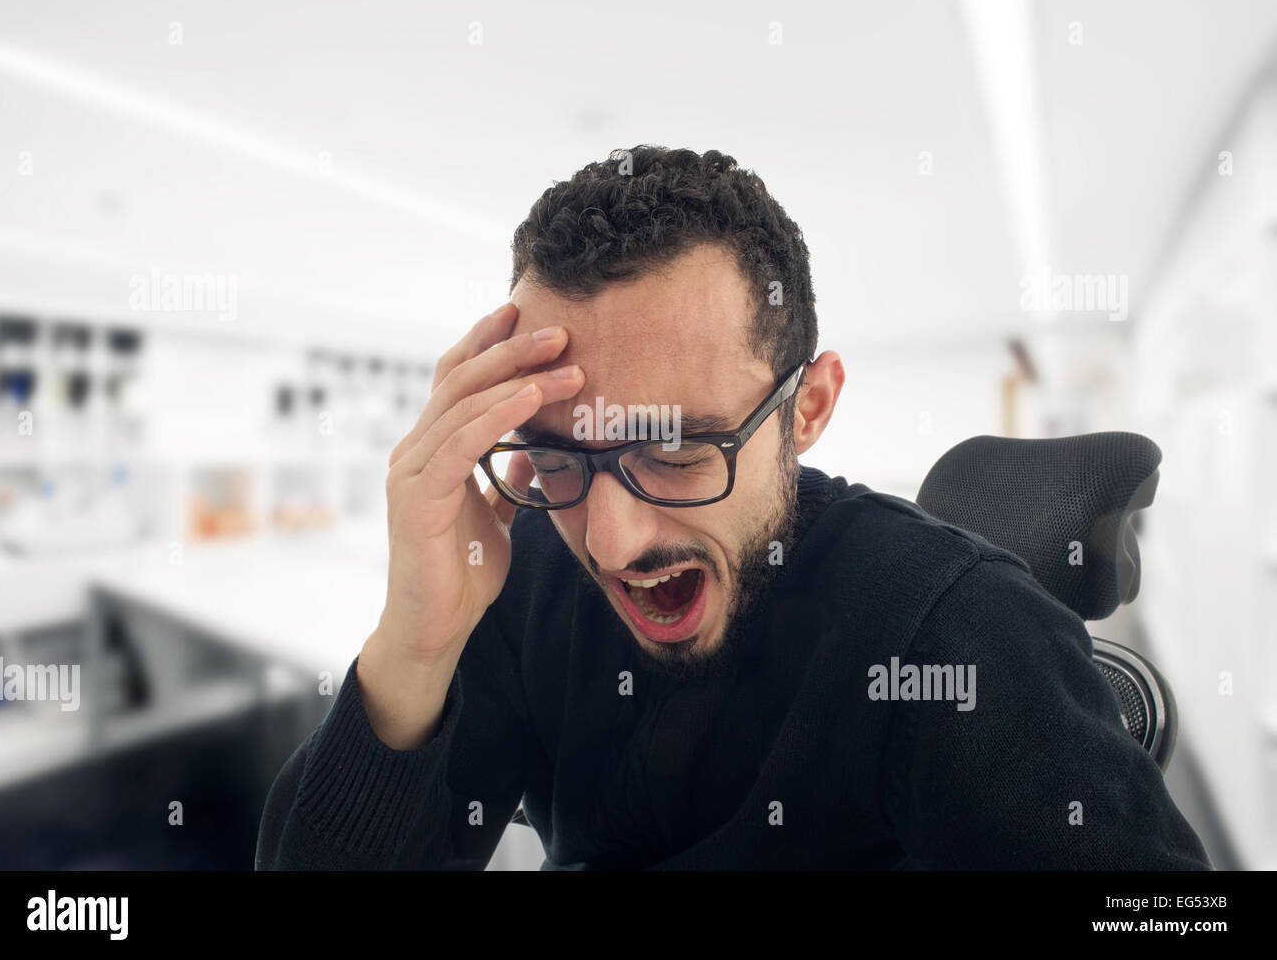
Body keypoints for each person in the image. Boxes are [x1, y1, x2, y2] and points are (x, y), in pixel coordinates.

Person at [255, 145, 1211, 870]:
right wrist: (414, 643)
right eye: (556, 456)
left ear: (810, 408)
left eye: (674, 449)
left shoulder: (957, 630)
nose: (611, 538)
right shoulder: (524, 574)